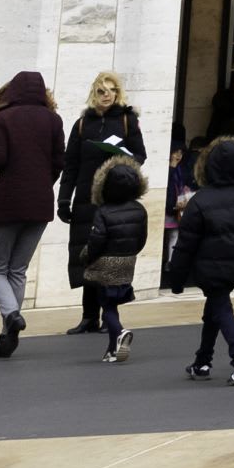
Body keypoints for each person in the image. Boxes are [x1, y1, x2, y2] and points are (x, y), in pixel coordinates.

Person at [0, 69, 65, 357]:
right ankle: (6, 334)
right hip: (40, 203)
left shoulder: (3, 118)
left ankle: (12, 316)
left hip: (7, 202)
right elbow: (58, 161)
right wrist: (40, 184)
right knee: (18, 270)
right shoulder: (54, 120)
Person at [165, 134, 234, 384]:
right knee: (214, 308)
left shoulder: (200, 201)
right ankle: (202, 361)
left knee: (221, 307)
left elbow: (185, 245)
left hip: (208, 266)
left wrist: (177, 279)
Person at [59, 72, 148, 333]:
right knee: (87, 255)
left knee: (110, 257)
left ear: (117, 93)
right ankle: (89, 316)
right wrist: (64, 199)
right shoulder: (82, 124)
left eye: (111, 90)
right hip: (86, 199)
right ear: (94, 94)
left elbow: (140, 156)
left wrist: (123, 154)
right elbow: (70, 165)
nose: (106, 94)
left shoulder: (127, 120)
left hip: (115, 198)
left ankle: (110, 316)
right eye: (101, 91)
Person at [78, 155, 148, 363]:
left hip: (106, 261)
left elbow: (97, 239)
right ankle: (112, 350)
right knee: (114, 303)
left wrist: (87, 256)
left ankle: (119, 332)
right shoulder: (139, 210)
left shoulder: (104, 211)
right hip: (127, 260)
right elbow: (141, 238)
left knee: (106, 305)